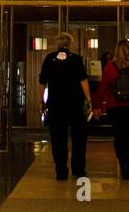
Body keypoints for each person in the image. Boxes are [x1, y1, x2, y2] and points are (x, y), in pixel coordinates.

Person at [92, 39, 129, 179]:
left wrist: (97, 107)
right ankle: (128, 163)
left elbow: (102, 89)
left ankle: (122, 161)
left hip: (115, 108)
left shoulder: (110, 67)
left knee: (119, 135)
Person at [39, 31, 92, 181]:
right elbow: (83, 81)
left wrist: (41, 101)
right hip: (74, 104)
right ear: (70, 44)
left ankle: (61, 171)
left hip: (56, 104)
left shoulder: (50, 59)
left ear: (57, 44)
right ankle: (78, 169)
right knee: (79, 137)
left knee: (58, 138)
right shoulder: (76, 60)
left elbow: (43, 82)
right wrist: (89, 99)